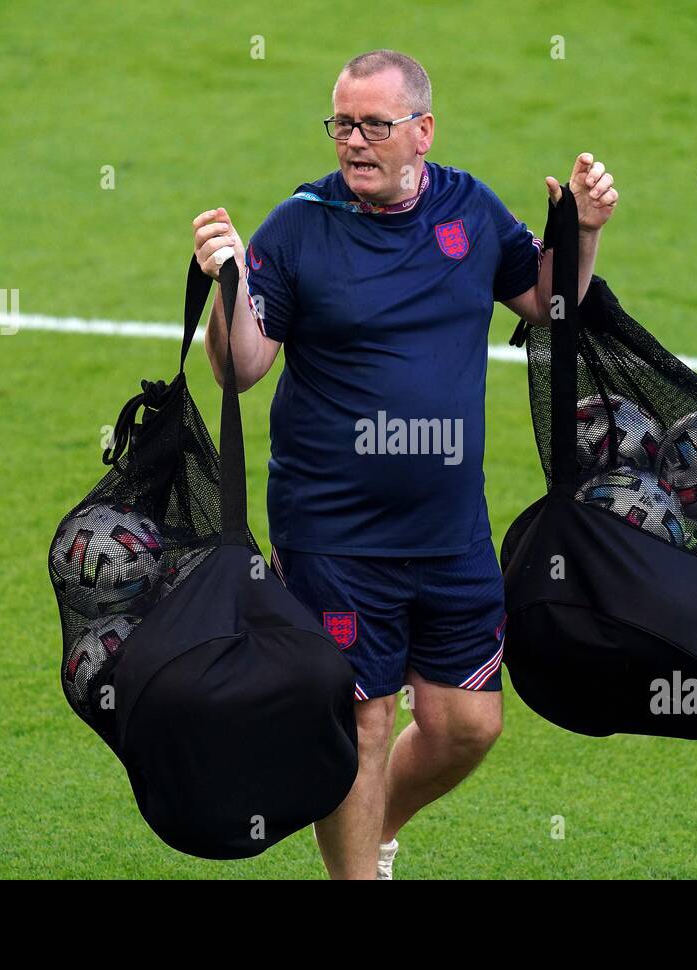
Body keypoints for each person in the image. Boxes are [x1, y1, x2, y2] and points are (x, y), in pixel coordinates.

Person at [195, 49, 617, 879]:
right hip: (335, 534)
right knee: (364, 720)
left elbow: (549, 303)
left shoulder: (468, 208)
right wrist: (226, 282)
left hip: (449, 531)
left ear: (421, 132)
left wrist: (585, 233)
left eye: (374, 126)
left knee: (468, 724)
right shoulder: (301, 225)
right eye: (342, 124)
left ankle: (368, 829)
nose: (354, 142)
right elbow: (241, 367)